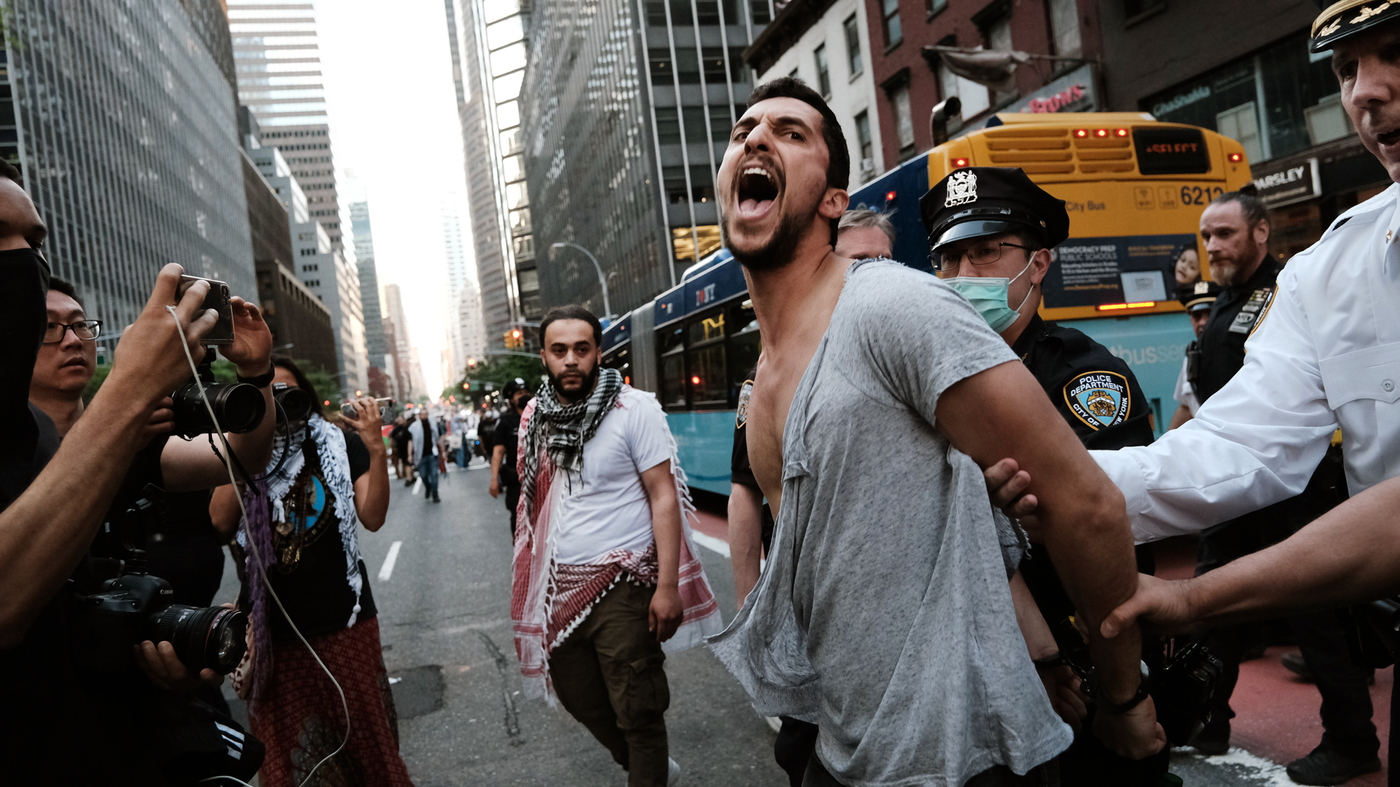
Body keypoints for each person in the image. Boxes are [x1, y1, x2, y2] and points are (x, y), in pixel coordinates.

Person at [705, 77, 1162, 787]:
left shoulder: (893, 306)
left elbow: (1089, 504)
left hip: (961, 758)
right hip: (842, 747)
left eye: (791, 132)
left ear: (834, 200)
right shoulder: (761, 377)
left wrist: (1123, 696)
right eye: (743, 132)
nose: (756, 138)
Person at [984, 6, 1400, 785]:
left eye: (1395, 55)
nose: (1367, 93)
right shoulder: (1332, 270)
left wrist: (1195, 599)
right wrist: (1059, 488)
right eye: (1345, 72)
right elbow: (1238, 441)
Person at [0, 193, 264, 787]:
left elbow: (243, 455)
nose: (71, 341)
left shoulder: (112, 434)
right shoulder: (118, 418)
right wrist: (130, 390)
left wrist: (152, 649)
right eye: (50, 329)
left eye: (34, 242)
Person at [922, 166, 1168, 785]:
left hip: (1078, 669)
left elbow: (1107, 529)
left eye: (985, 253)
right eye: (948, 260)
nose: (962, 278)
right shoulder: (921, 377)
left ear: (1037, 264)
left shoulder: (1082, 377)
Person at [512, 306, 722, 787]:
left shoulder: (635, 408)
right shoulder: (535, 417)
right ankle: (650, 770)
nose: (571, 360)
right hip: (560, 590)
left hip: (625, 584)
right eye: (559, 350)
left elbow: (664, 496)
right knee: (577, 696)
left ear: (598, 353)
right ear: (543, 356)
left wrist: (666, 586)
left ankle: (647, 768)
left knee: (638, 709)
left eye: (581, 350)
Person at [726, 209, 897, 786]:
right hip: (811, 624)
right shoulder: (769, 376)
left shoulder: (908, 354)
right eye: (857, 261)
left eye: (883, 260)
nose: (872, 274)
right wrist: (755, 614)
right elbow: (746, 496)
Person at [212, 356, 409, 786]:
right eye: (268, 395)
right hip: (274, 635)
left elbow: (372, 517)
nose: (280, 405)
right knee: (289, 761)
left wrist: (376, 448)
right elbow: (219, 519)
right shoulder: (239, 450)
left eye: (287, 392)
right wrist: (246, 440)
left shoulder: (338, 443)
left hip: (345, 624)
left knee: (368, 749)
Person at [1166, 281, 1221, 430]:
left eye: (1210, 314)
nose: (1202, 322)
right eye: (1196, 316)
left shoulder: (1237, 351)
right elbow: (1185, 408)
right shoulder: (1192, 356)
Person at [489, 377, 532, 537]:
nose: (524, 396)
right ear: (511, 399)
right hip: (517, 480)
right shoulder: (506, 421)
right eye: (519, 393)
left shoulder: (540, 413)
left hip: (541, 476)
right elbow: (498, 452)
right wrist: (494, 480)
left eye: (525, 392)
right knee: (519, 522)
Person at [409, 406, 442, 503]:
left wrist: (443, 451)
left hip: (432, 455)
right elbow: (411, 441)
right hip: (420, 456)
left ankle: (435, 495)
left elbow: (437, 438)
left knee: (434, 475)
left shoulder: (432, 425)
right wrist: (410, 454)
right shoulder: (414, 427)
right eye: (422, 414)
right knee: (423, 476)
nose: (424, 416)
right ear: (419, 415)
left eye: (425, 414)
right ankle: (428, 488)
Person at [390, 414, 415, 485]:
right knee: (407, 464)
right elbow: (392, 439)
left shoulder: (407, 428)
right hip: (400, 450)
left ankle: (409, 478)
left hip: (407, 449)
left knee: (408, 464)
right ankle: (410, 477)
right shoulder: (396, 430)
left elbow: (410, 440)